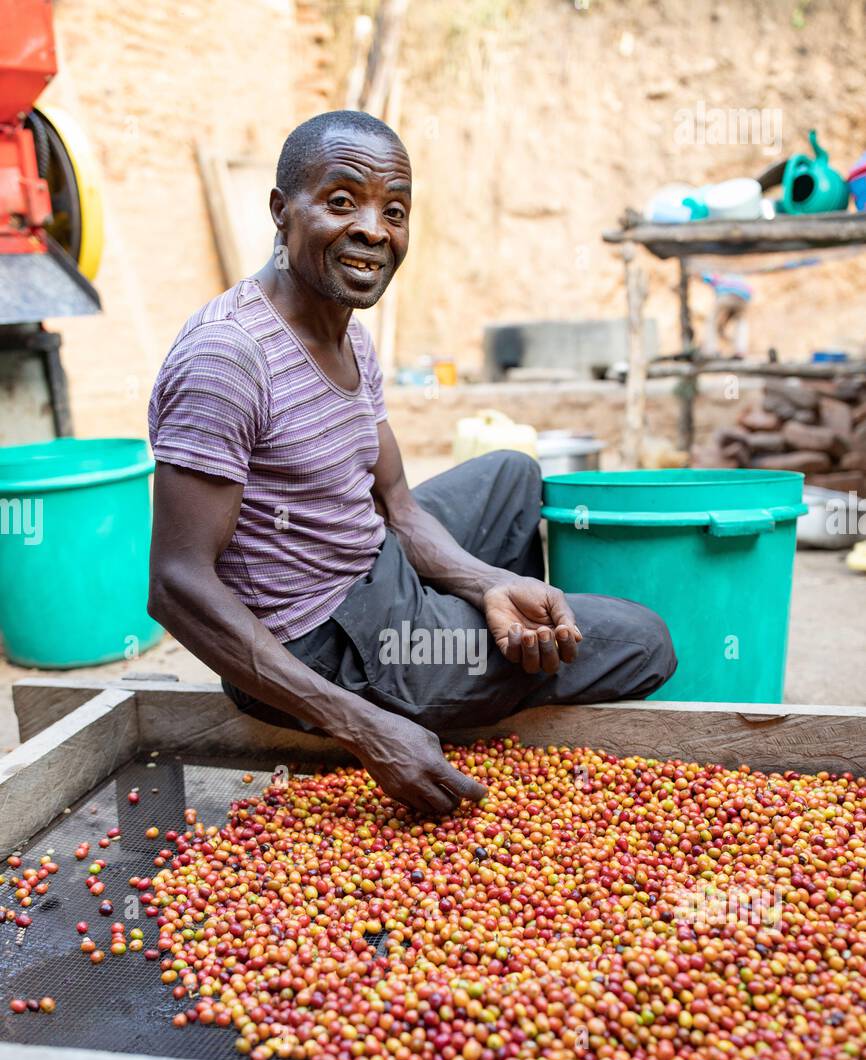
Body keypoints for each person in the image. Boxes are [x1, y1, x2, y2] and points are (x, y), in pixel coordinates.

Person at [148, 110, 676, 816]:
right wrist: (366, 730)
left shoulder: (349, 336)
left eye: (393, 211)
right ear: (281, 212)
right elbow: (176, 586)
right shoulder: (227, 359)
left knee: (512, 474)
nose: (374, 229)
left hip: (371, 566)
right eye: (342, 202)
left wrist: (491, 584)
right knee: (643, 641)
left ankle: (476, 661)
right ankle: (424, 700)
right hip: (316, 642)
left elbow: (396, 504)